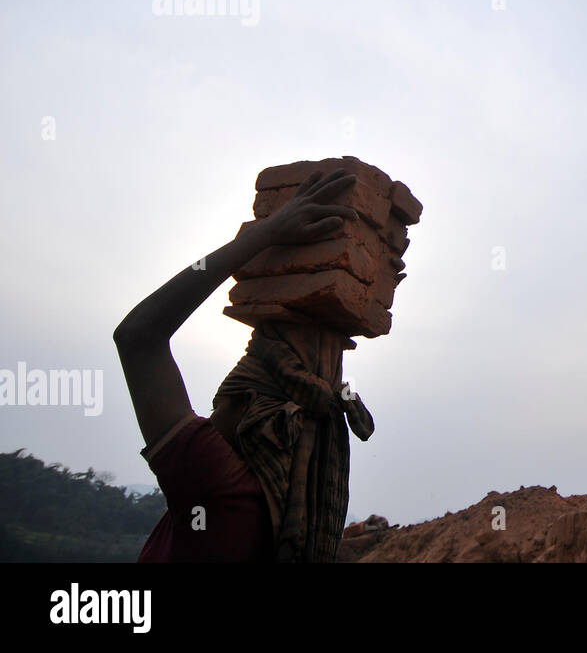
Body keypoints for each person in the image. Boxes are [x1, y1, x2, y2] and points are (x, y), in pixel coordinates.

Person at [114, 169, 401, 562]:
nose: (215, 409)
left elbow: (137, 338)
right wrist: (376, 273)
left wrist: (258, 237)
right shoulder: (306, 526)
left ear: (250, 405)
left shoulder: (217, 487)